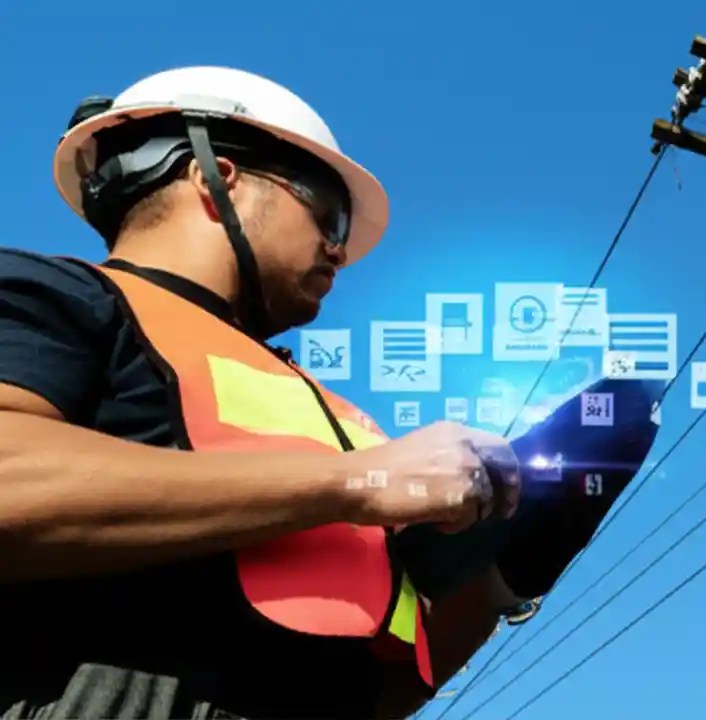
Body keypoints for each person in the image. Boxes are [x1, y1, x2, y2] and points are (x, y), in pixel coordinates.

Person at [0, 66, 531, 720]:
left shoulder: (334, 414)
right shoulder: (54, 295)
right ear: (216, 175)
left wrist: (501, 567)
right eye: (328, 216)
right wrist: (355, 483)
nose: (338, 251)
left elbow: (376, 689)